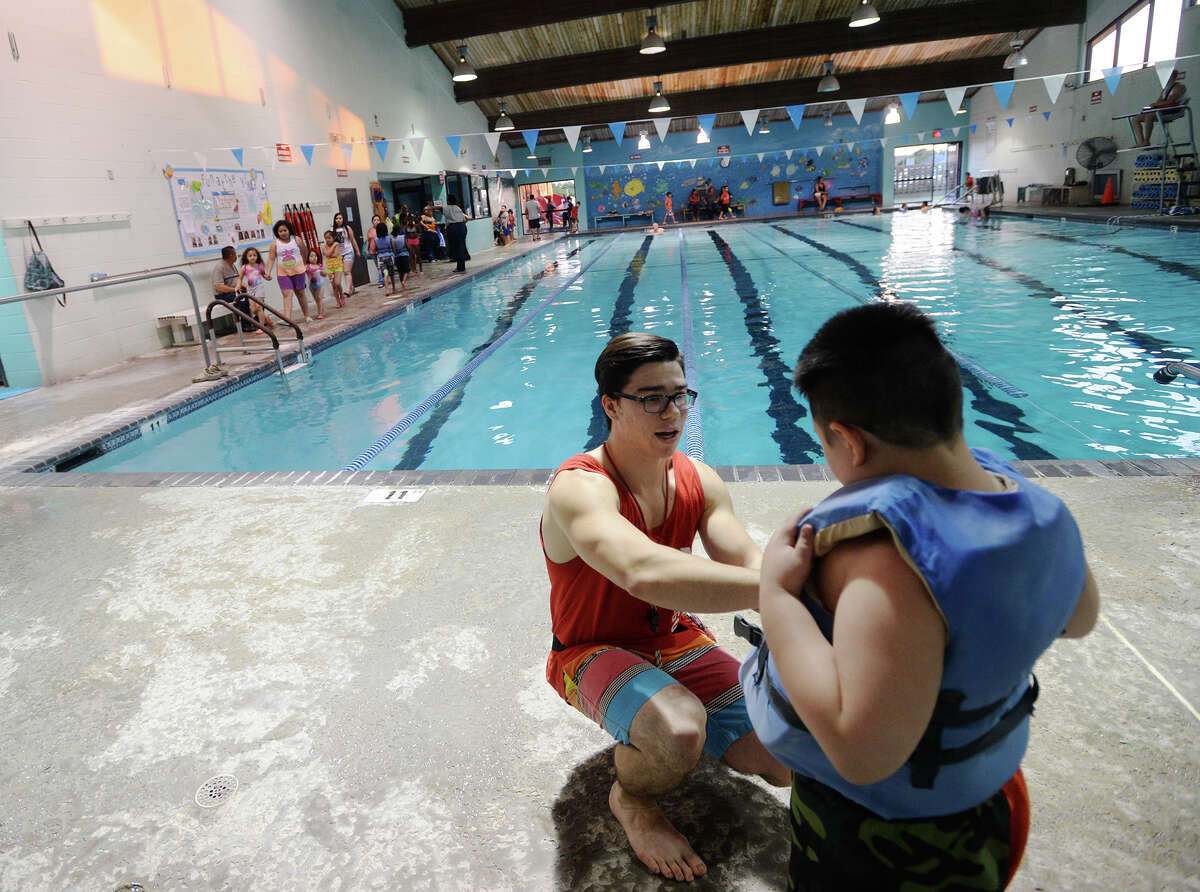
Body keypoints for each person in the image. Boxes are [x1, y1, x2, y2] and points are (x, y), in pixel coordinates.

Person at [740, 303, 1099, 891]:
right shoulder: (1036, 510)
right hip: (988, 806)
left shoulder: (889, 564)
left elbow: (862, 753)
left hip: (887, 845)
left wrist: (777, 594)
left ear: (848, 442)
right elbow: (1079, 619)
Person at [540, 332, 790, 884]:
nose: (671, 411)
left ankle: (670, 734)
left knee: (787, 755)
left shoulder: (700, 480)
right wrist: (779, 586)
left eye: (680, 395)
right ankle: (633, 801)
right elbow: (644, 573)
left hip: (675, 641)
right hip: (589, 650)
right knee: (678, 729)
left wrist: (797, 599)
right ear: (611, 405)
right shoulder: (579, 488)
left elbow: (746, 560)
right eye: (651, 397)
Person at [265, 220, 310, 324]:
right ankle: (287, 319)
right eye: (280, 231)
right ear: (277, 233)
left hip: (298, 271)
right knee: (287, 294)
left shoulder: (296, 239)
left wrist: (304, 264)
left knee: (300, 293)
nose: (283, 233)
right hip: (283, 273)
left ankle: (307, 315)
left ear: (289, 230)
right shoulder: (275, 243)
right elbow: (271, 258)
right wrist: (268, 272)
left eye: (285, 230)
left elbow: (305, 251)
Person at [1131, 69, 1186, 148]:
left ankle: (1147, 140)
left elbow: (1171, 101)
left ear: (1171, 77)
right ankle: (1141, 141)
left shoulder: (1179, 87)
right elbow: (1159, 101)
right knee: (1135, 119)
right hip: (1164, 110)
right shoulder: (1165, 90)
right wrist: (1153, 105)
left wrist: (1156, 104)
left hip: (1174, 110)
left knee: (1149, 116)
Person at [211, 246, 257, 332]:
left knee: (255, 294)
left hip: (234, 291)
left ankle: (257, 320)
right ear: (231, 255)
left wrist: (247, 287)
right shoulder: (219, 267)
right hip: (222, 295)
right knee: (242, 299)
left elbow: (237, 280)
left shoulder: (232, 265)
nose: (236, 256)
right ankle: (245, 325)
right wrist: (235, 290)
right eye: (235, 254)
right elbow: (218, 286)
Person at [331, 212, 359, 298]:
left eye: (340, 218)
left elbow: (352, 240)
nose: (338, 220)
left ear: (343, 219)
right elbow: (330, 242)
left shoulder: (347, 228)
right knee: (345, 271)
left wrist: (357, 250)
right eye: (337, 218)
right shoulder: (332, 230)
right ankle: (352, 287)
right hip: (338, 254)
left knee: (347, 271)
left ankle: (348, 290)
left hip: (348, 252)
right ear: (334, 220)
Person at [443, 197, 470, 273]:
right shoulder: (458, 208)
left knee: (456, 248)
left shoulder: (447, 208)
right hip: (462, 227)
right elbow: (467, 218)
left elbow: (440, 208)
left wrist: (431, 207)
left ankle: (461, 267)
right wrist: (461, 224)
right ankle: (460, 266)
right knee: (460, 246)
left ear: (448, 201)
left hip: (454, 228)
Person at [374, 221, 398, 296]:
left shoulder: (376, 239)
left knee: (385, 274)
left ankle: (387, 290)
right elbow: (393, 248)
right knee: (391, 273)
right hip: (390, 256)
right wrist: (394, 254)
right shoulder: (389, 238)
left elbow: (375, 249)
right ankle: (394, 288)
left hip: (381, 258)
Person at [322, 231, 345, 308]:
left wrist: (329, 252)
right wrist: (332, 247)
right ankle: (338, 301)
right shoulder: (324, 246)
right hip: (330, 268)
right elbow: (327, 254)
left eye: (329, 238)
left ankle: (341, 295)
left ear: (333, 238)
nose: (327, 240)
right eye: (326, 238)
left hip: (338, 265)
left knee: (337, 283)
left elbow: (335, 255)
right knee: (334, 286)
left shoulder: (337, 244)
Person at [304, 249, 327, 320]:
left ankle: (320, 313)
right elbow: (302, 272)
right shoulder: (307, 266)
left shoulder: (319, 266)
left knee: (319, 298)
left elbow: (325, 274)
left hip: (320, 284)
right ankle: (322, 311)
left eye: (315, 256)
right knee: (317, 299)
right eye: (311, 256)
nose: (314, 257)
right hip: (312, 285)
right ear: (308, 258)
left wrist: (323, 273)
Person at [366, 214, 382, 287]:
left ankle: (381, 281)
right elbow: (368, 241)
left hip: (381, 251)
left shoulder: (382, 229)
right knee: (378, 266)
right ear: (372, 221)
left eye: (378, 220)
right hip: (373, 251)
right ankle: (382, 279)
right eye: (375, 220)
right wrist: (367, 250)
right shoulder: (370, 230)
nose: (376, 221)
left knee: (380, 266)